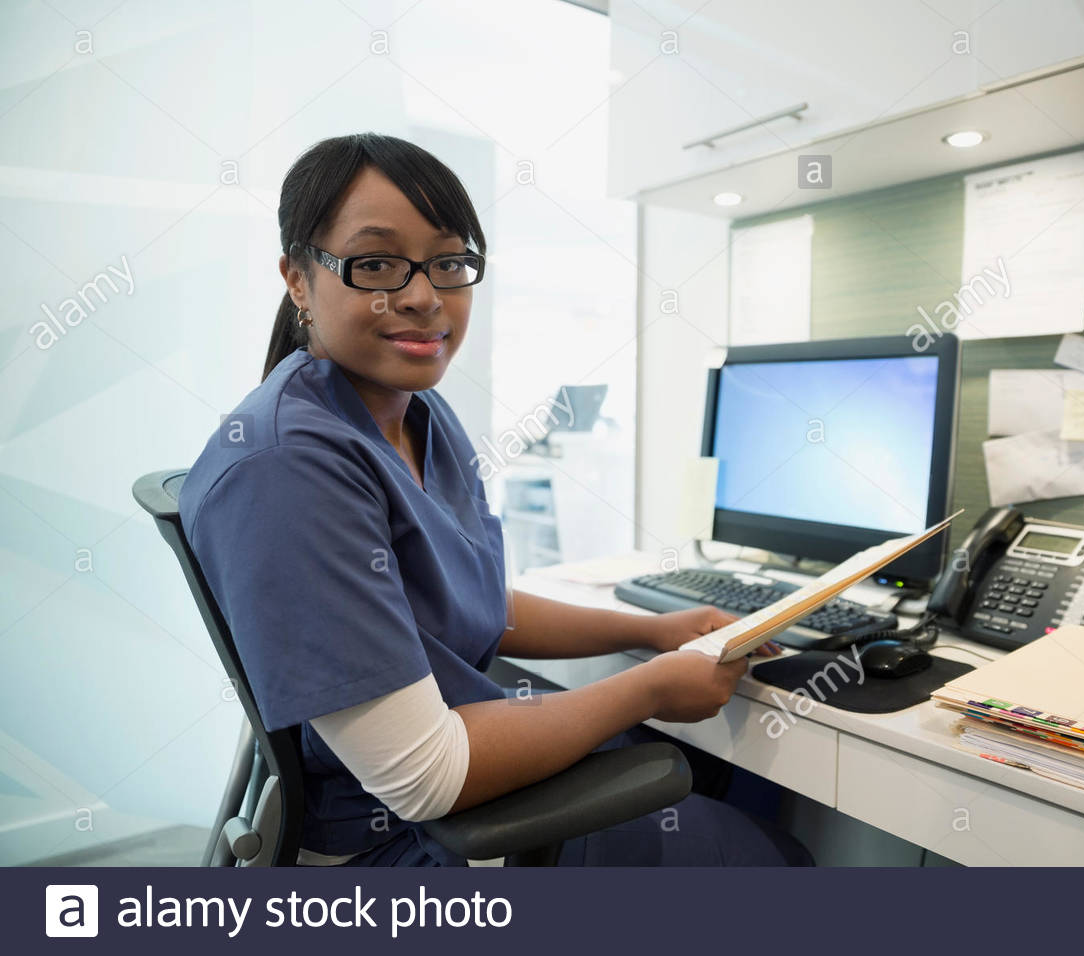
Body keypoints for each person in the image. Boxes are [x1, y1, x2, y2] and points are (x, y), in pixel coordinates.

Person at [179, 133, 812, 867]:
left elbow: (475, 603)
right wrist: (653, 688)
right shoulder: (288, 468)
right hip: (402, 845)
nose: (422, 297)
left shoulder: (414, 413)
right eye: (377, 263)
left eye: (448, 263)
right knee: (775, 855)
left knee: (724, 776)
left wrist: (653, 630)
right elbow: (426, 776)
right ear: (298, 280)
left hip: (452, 787)